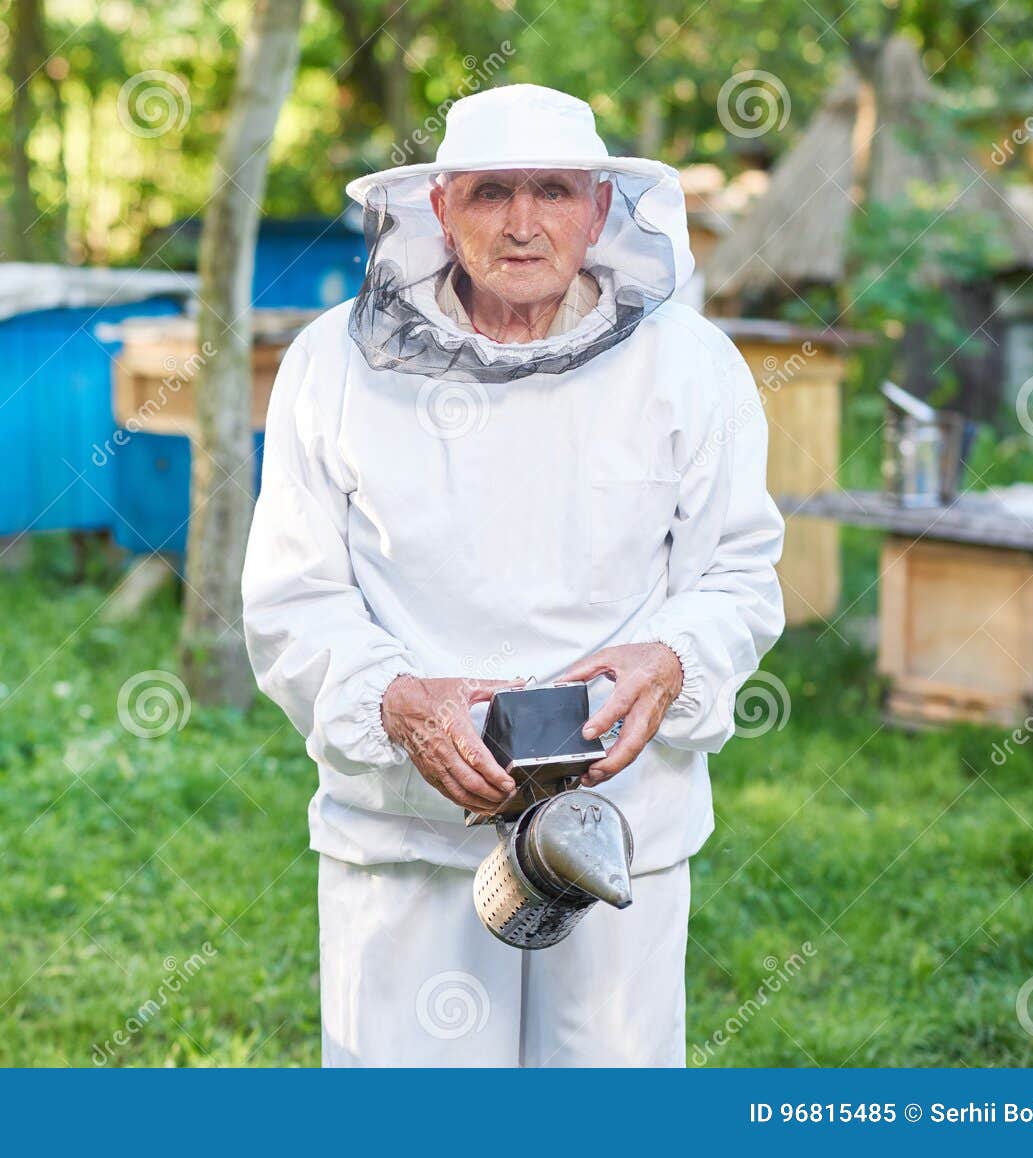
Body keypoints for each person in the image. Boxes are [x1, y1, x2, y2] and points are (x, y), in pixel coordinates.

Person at [241, 83, 786, 1066]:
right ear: (441, 208)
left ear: (601, 209)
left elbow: (740, 574)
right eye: (491, 192)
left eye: (553, 190)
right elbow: (294, 598)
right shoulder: (331, 366)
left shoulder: (690, 366)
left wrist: (669, 658)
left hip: (618, 825)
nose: (524, 223)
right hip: (409, 827)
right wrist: (400, 703)